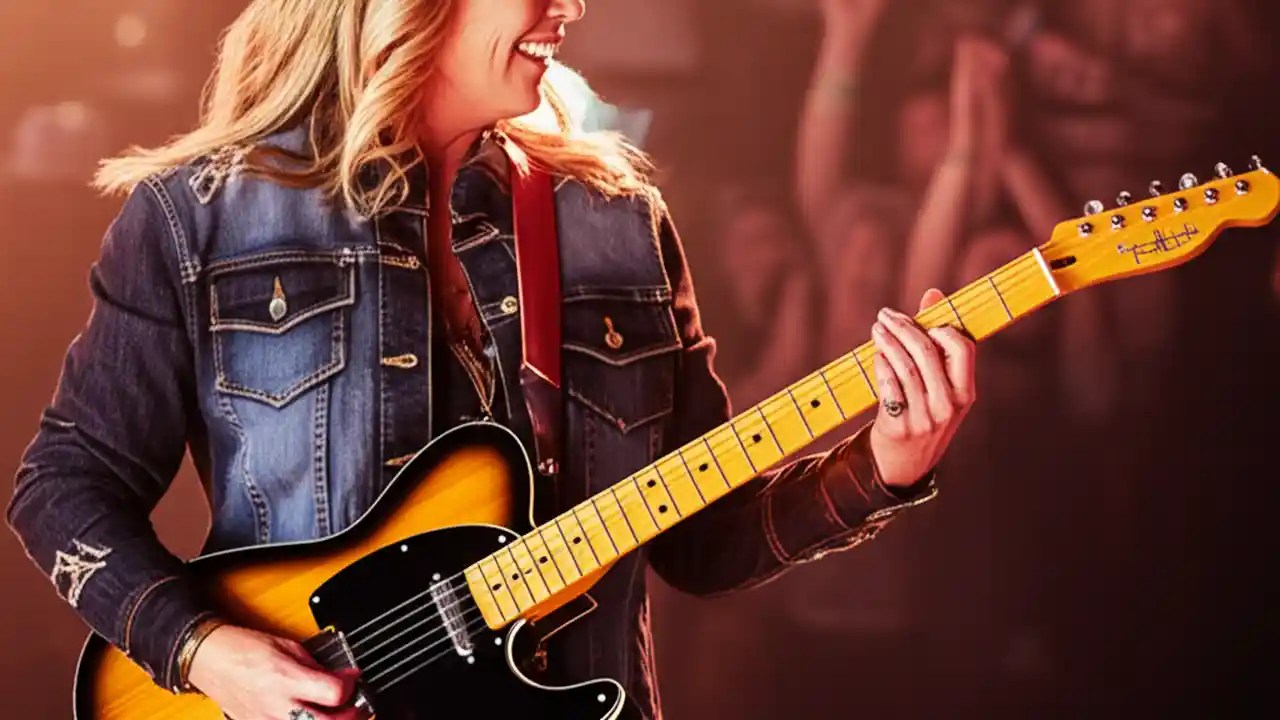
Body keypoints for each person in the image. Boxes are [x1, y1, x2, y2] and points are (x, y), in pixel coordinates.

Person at [6, 2, 979, 719]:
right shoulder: (200, 216)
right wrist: (202, 649)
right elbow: (60, 487)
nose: (571, 7)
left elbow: (700, 542)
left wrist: (881, 467)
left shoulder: (613, 222)